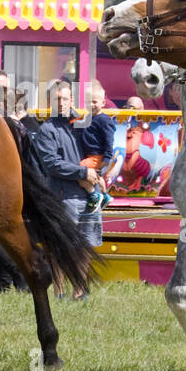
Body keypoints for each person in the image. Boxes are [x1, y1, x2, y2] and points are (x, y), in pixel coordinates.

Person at [34, 81, 102, 285]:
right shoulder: (47, 129)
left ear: (72, 99)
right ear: (50, 102)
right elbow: (51, 163)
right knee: (59, 245)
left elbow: (100, 151)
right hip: (63, 196)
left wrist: (99, 173)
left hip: (91, 194)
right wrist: (83, 172)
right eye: (56, 99)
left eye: (65, 98)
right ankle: (58, 289)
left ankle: (80, 288)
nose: (61, 103)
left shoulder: (85, 124)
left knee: (86, 243)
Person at [76, 80, 116, 212]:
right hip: (91, 155)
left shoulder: (104, 120)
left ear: (103, 103)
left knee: (78, 170)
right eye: (88, 102)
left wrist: (107, 158)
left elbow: (109, 140)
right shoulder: (87, 118)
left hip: (97, 156)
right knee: (98, 177)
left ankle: (93, 193)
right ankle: (105, 196)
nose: (91, 105)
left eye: (95, 102)